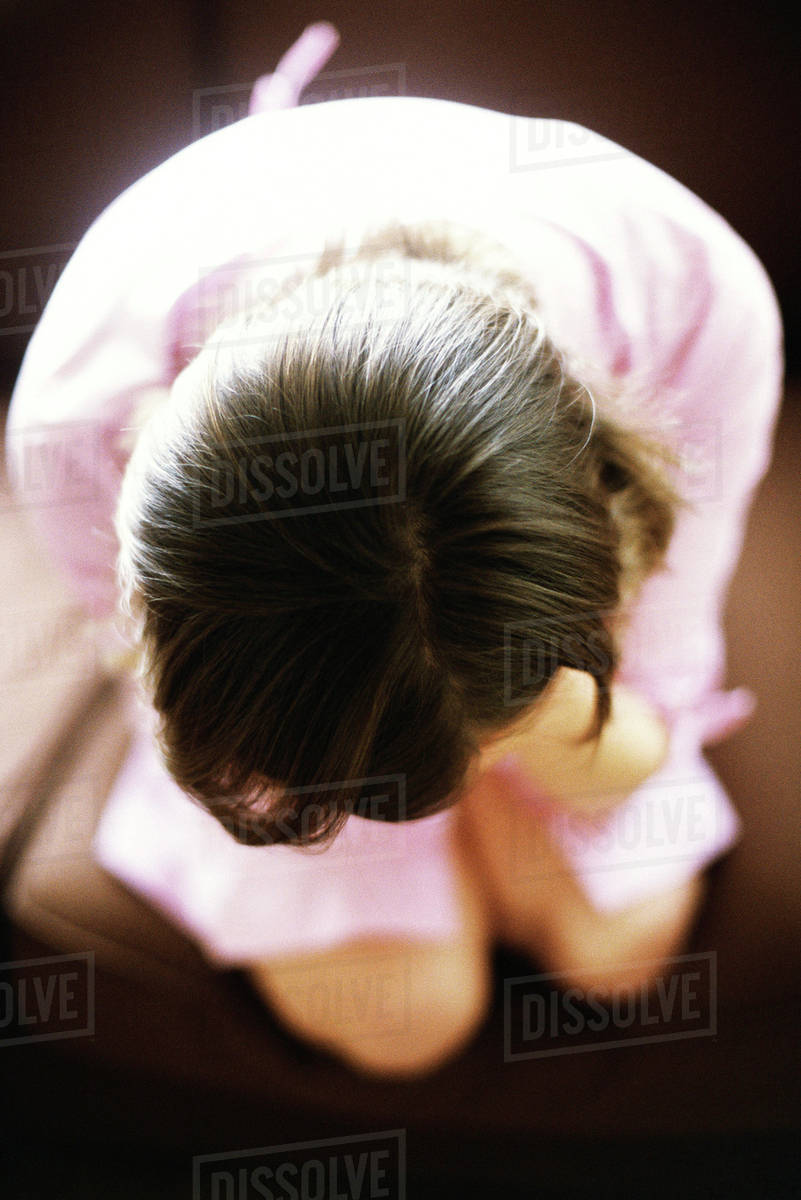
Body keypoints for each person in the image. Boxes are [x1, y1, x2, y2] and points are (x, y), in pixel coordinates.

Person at [5, 22, 784, 1078]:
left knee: (619, 948)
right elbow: (171, 680)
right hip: (324, 694)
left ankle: (465, 728)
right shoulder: (74, 413)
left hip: (505, 646)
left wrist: (530, 711)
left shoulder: (696, 303)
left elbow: (658, 676)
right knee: (408, 1016)